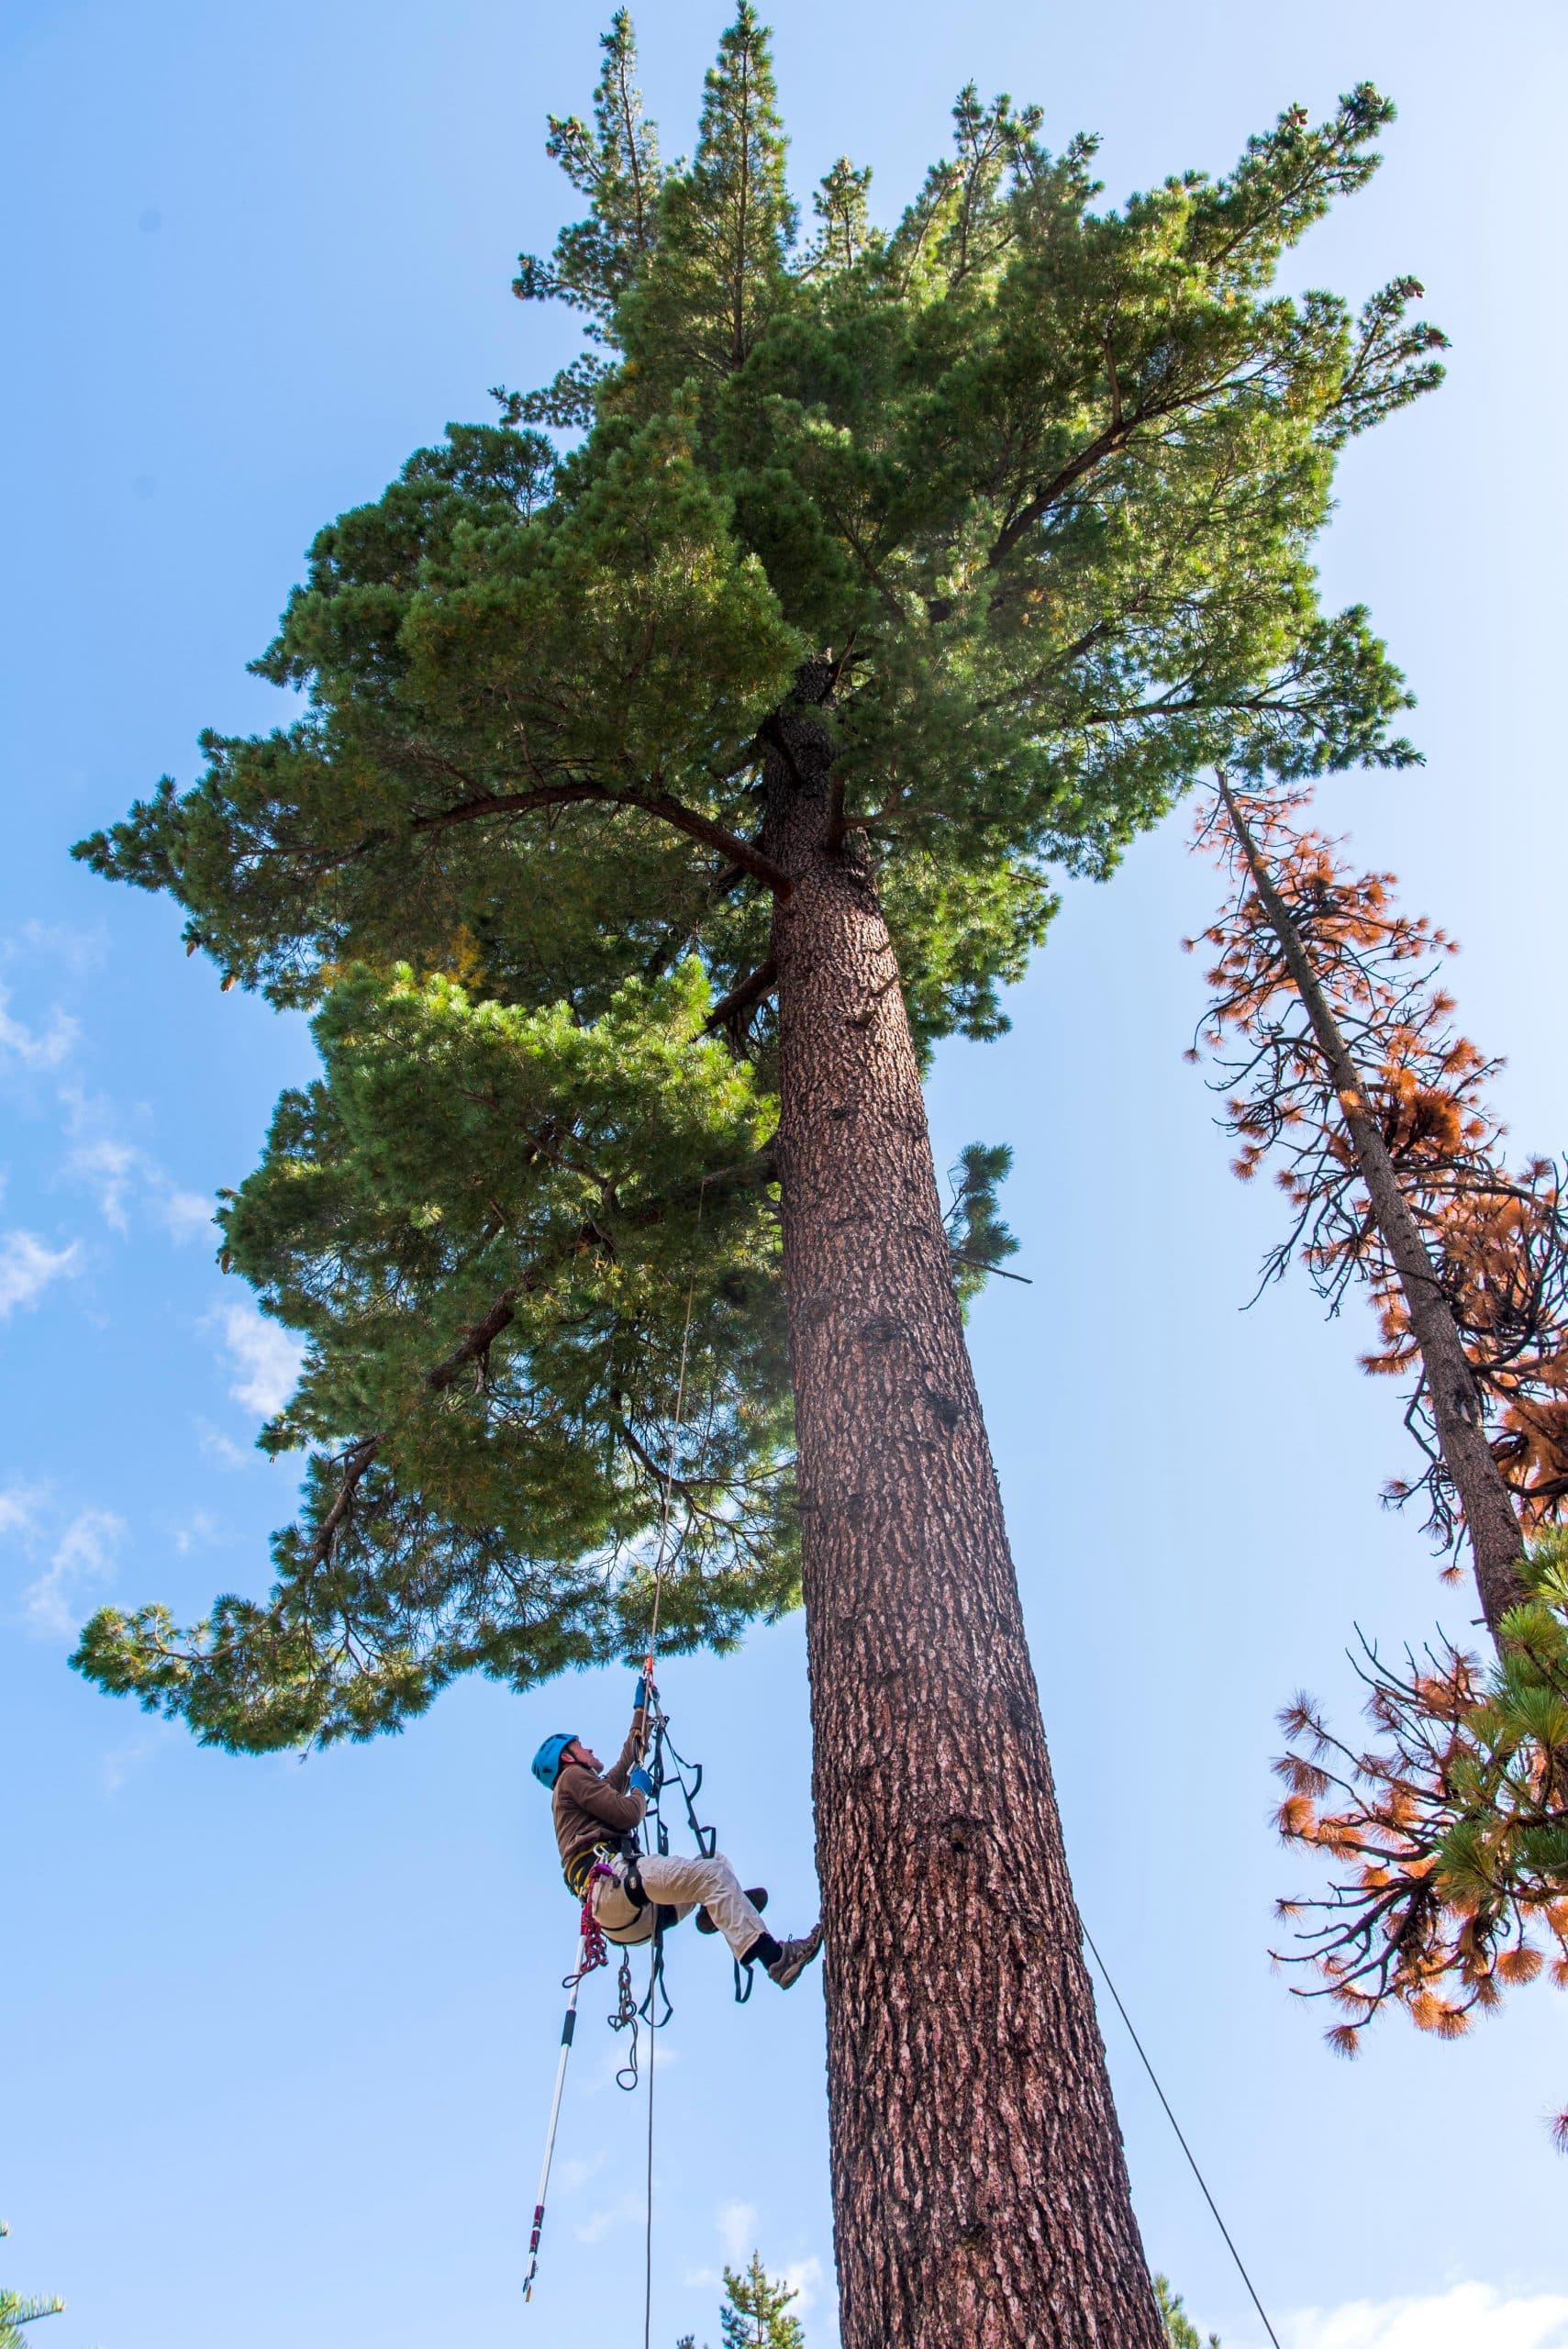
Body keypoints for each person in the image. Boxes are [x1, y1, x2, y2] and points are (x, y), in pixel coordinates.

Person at [532, 1679, 824, 1991]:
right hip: (615, 1885)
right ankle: (776, 1958)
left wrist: (640, 1708)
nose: (588, 1749)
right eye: (580, 1746)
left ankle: (718, 1909)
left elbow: (629, 1757)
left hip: (629, 1918)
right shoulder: (573, 1778)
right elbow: (628, 1814)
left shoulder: (585, 1789)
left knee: (715, 1861)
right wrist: (638, 1792)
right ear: (567, 1757)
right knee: (712, 1875)